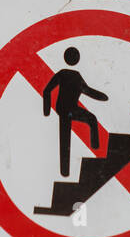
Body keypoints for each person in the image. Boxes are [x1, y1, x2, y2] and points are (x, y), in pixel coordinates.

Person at [41, 47, 108, 177]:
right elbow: (88, 91)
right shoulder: (68, 75)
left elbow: (87, 90)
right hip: (66, 110)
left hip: (69, 109)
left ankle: (96, 149)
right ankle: (64, 172)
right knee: (66, 138)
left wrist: (102, 96)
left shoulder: (71, 75)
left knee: (91, 119)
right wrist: (46, 112)